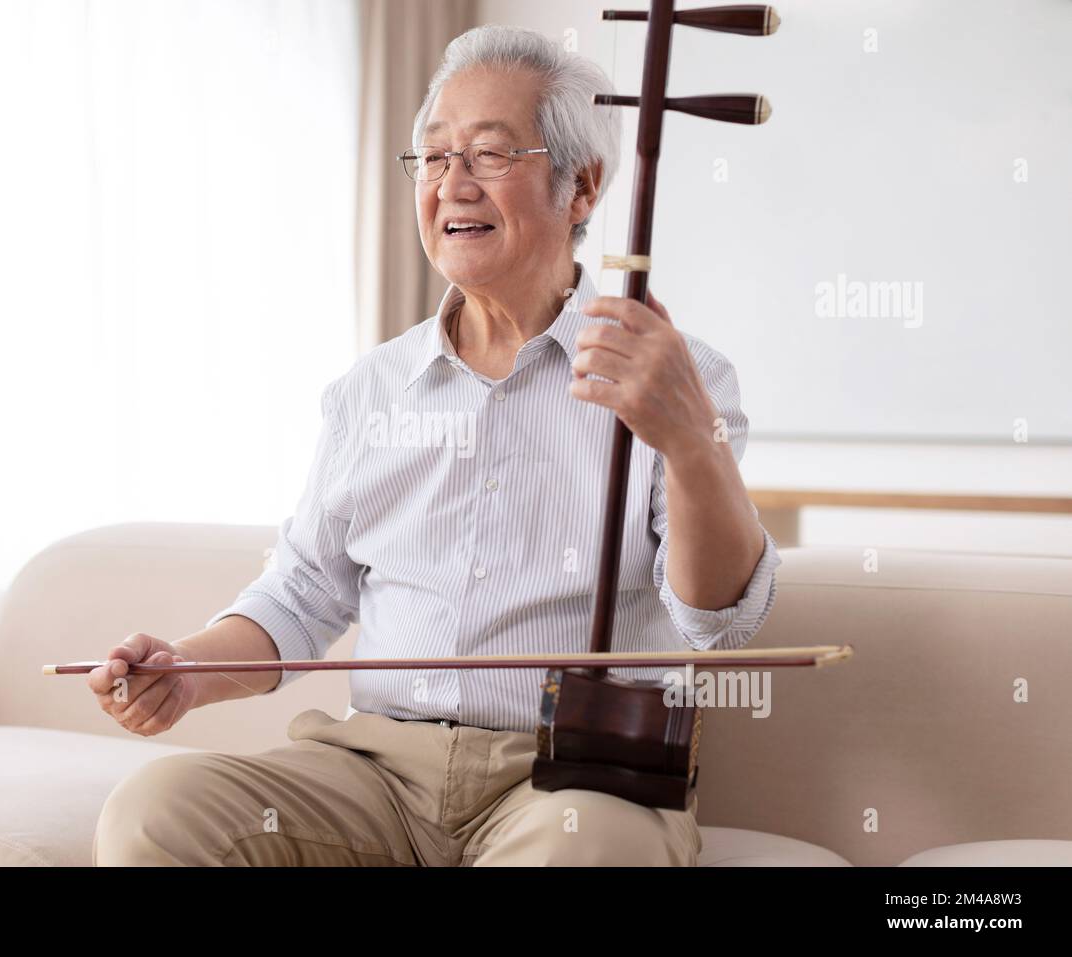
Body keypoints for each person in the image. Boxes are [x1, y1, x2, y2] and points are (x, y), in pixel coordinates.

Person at [89, 23, 780, 867]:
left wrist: (688, 444)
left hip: (569, 779)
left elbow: (719, 623)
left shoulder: (680, 375)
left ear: (583, 186)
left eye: (490, 154)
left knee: (587, 849)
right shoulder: (368, 392)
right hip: (375, 770)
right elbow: (300, 596)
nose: (452, 183)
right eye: (433, 157)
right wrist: (185, 669)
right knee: (155, 811)